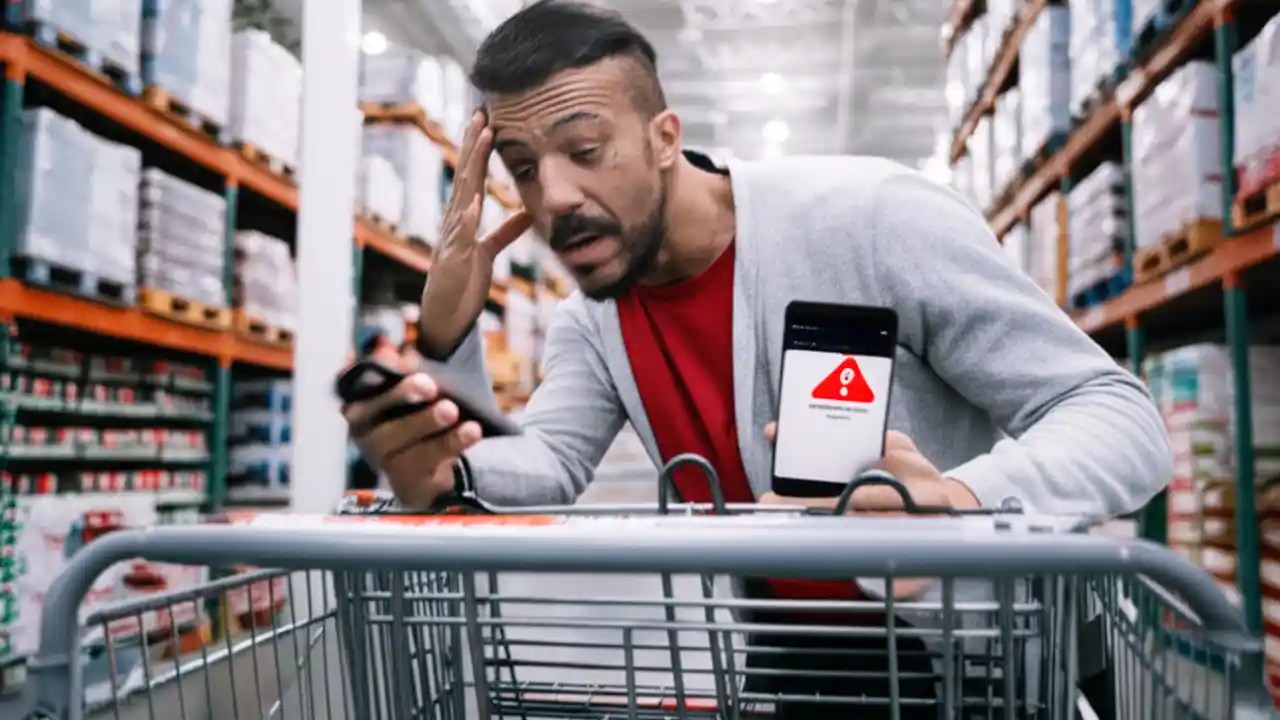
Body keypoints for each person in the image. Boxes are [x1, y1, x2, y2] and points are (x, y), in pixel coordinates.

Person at [340, 1, 1172, 715]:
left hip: (981, 659)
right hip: (797, 661)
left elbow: (1119, 417)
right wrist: (444, 346)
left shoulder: (871, 218)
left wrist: (958, 501)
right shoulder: (592, 318)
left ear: (665, 136)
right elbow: (548, 465)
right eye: (524, 169)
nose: (553, 196)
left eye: (585, 151)